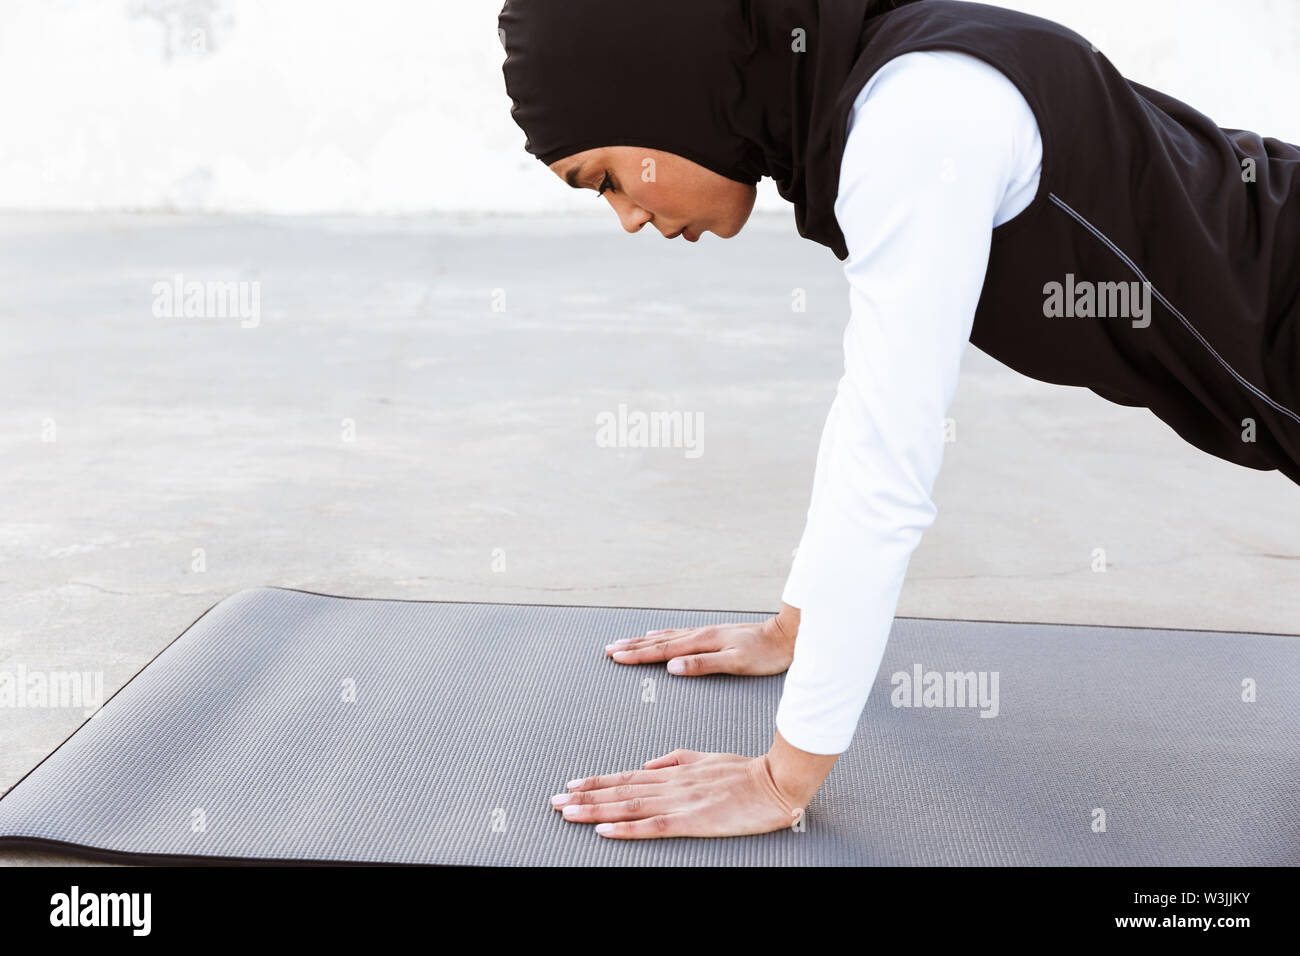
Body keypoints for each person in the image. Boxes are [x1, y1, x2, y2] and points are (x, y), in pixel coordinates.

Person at [497, 0, 1300, 839]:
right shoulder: (891, 86)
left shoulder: (913, 121)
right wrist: (796, 626)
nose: (628, 214)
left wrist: (783, 778)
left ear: (656, 87)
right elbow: (866, 410)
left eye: (606, 177)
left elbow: (887, 465)